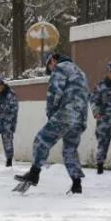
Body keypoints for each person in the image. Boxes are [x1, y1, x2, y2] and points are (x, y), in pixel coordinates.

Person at [14, 52, 90, 194]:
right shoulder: (81, 72)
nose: (51, 69)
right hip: (80, 118)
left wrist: (51, 115)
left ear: (53, 60)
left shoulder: (60, 68)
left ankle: (34, 173)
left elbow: (54, 93)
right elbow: (87, 95)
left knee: (41, 140)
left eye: (49, 66)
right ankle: (76, 184)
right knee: (70, 150)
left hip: (66, 114)